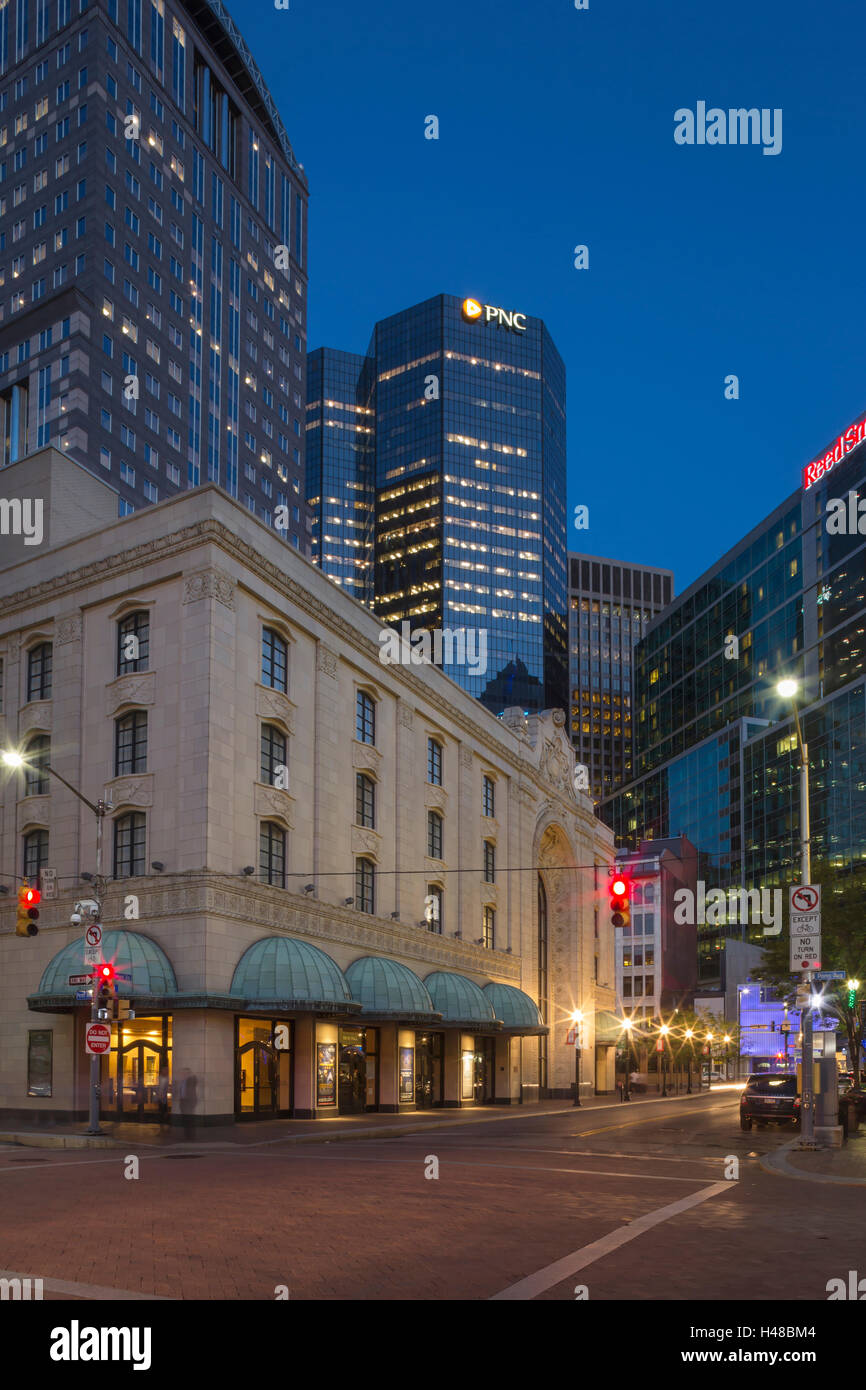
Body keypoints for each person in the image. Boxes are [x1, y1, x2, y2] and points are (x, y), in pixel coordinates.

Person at [179, 1068, 197, 1141]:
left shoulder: (191, 1080)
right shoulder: (183, 1081)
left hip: (189, 1103)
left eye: (185, 1073)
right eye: (183, 1073)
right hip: (183, 1102)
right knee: (185, 1120)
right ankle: (187, 1136)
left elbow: (195, 1081)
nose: (183, 1074)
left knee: (189, 1120)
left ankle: (191, 1136)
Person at [156, 1062, 170, 1128]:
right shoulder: (159, 1078)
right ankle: (162, 1121)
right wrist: (159, 1094)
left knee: (164, 1108)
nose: (167, 1071)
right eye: (166, 1070)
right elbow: (158, 1087)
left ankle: (163, 1121)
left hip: (164, 1096)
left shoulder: (167, 1078)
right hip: (161, 1096)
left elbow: (165, 1088)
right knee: (162, 1108)